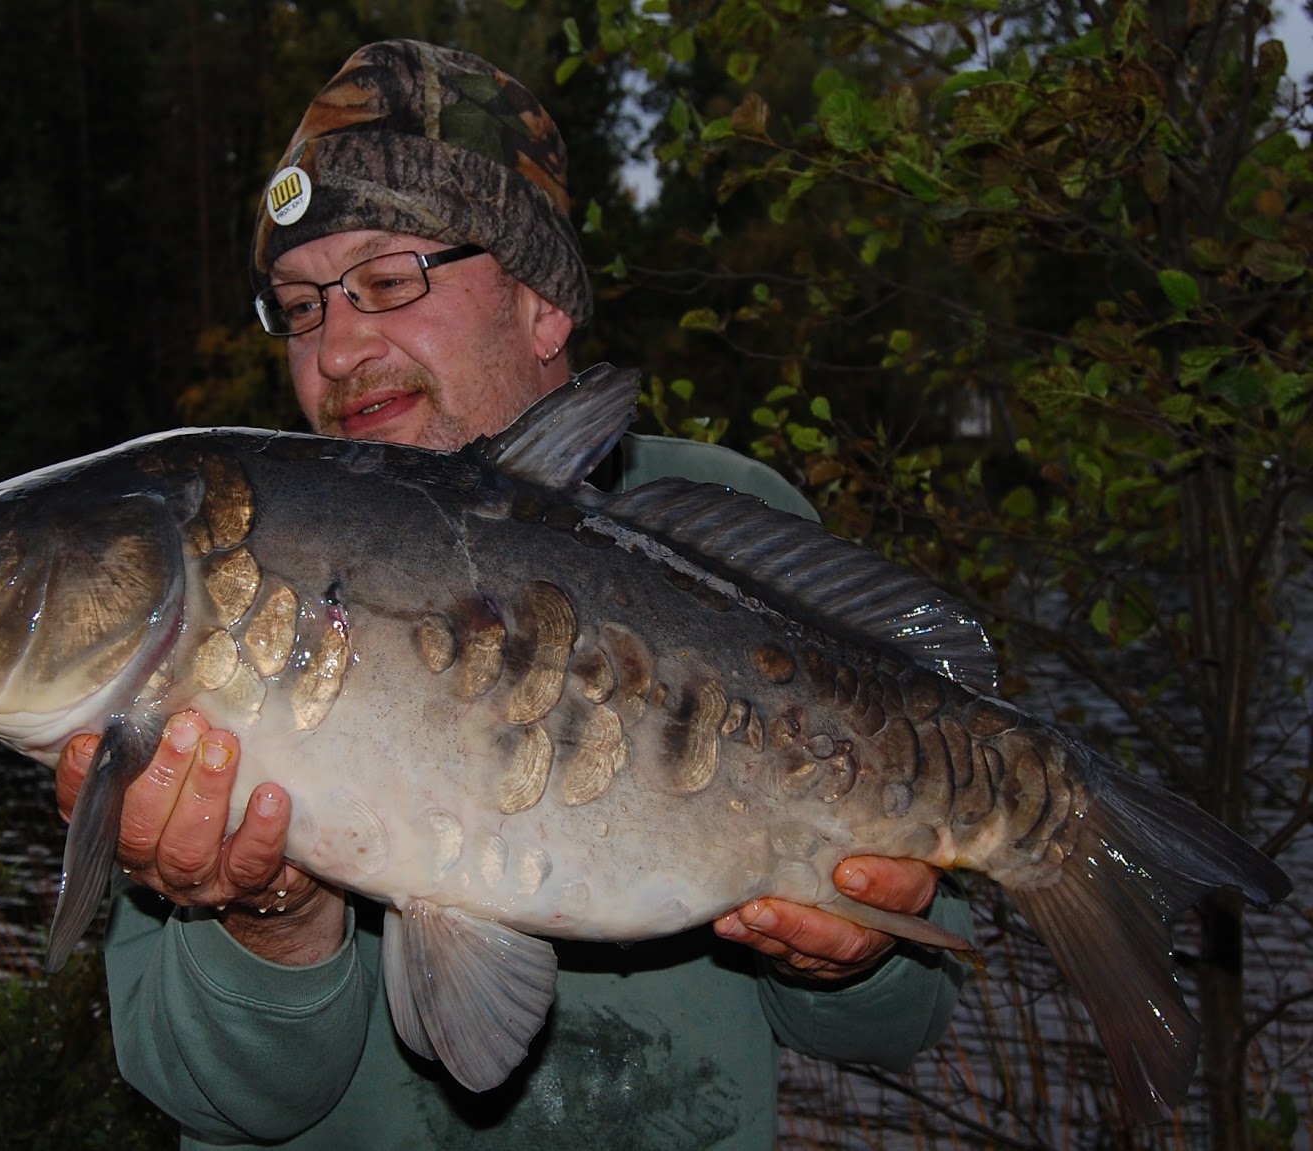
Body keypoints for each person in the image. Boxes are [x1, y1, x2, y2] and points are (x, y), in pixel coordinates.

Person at [55, 39, 971, 1150]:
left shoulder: (727, 526)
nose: (337, 348)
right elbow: (212, 1095)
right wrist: (272, 912)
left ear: (543, 303)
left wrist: (860, 949)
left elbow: (899, 1021)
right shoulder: (225, 574)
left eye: (389, 281)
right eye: (300, 307)